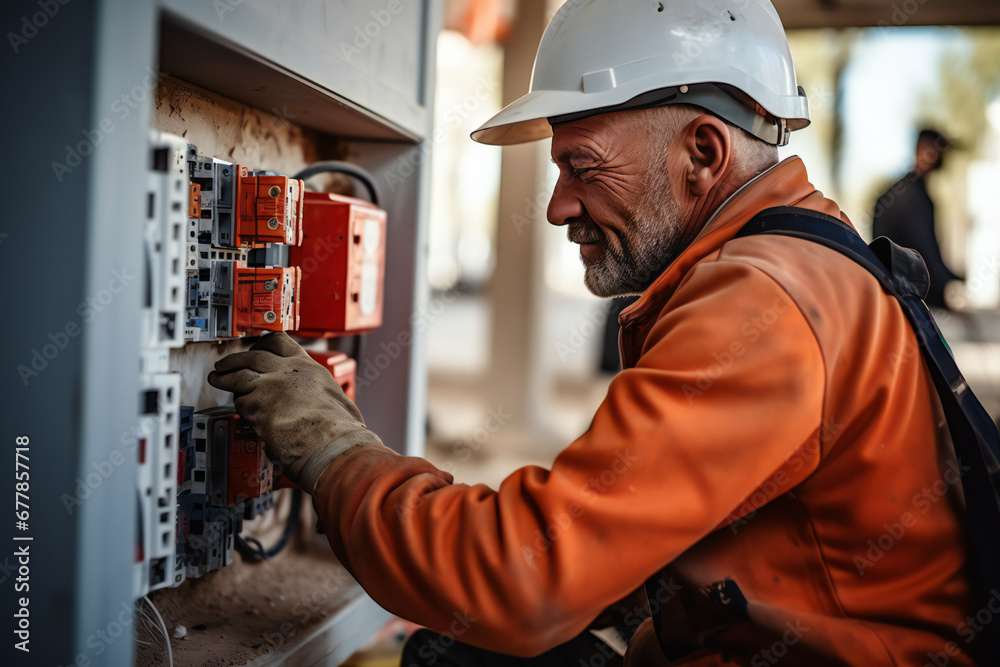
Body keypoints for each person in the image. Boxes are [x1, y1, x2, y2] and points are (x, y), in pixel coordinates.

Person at [208, 1, 979, 664]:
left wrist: (335, 454)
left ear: (702, 154)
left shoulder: (763, 301)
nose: (557, 206)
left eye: (582, 166)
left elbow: (519, 578)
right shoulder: (806, 256)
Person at [872, 129, 963, 309]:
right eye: (940, 151)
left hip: (896, 297)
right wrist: (948, 280)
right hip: (911, 301)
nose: (944, 158)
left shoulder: (903, 191)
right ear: (926, 151)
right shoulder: (913, 197)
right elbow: (925, 251)